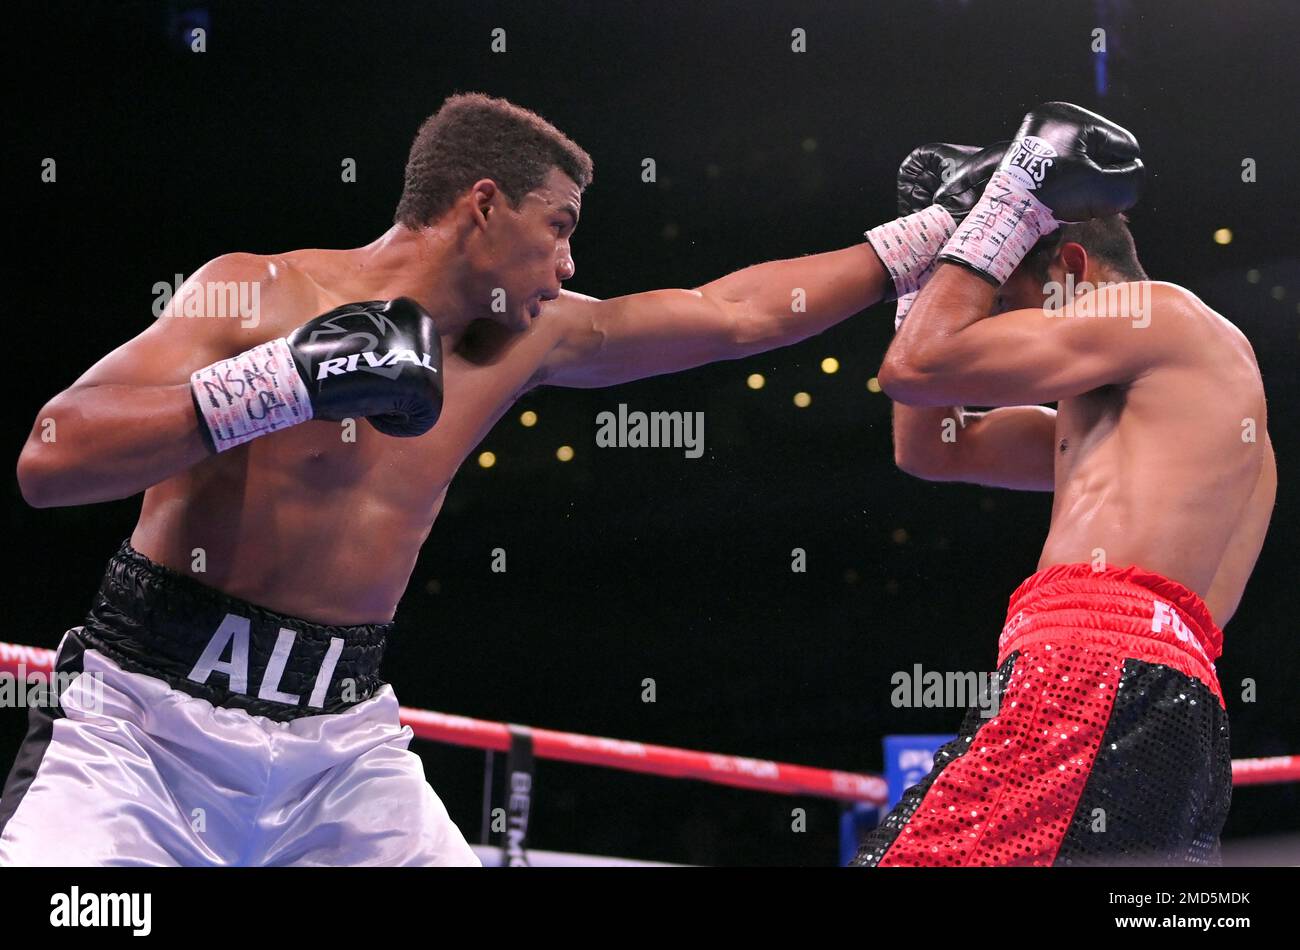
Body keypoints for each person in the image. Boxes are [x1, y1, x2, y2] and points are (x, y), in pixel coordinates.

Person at [4, 92, 951, 865]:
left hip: (340, 750)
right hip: (143, 731)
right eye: (559, 227)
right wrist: (279, 382)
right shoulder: (263, 292)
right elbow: (50, 456)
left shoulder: (528, 339)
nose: (570, 263)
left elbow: (738, 313)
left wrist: (945, 230)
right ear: (484, 204)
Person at [855, 103, 1276, 866]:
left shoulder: (1164, 315)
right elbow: (934, 445)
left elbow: (916, 366)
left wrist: (1001, 213)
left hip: (1090, 672)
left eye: (1005, 309)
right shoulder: (1159, 418)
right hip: (1174, 703)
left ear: (1071, 270)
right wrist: (928, 272)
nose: (992, 339)